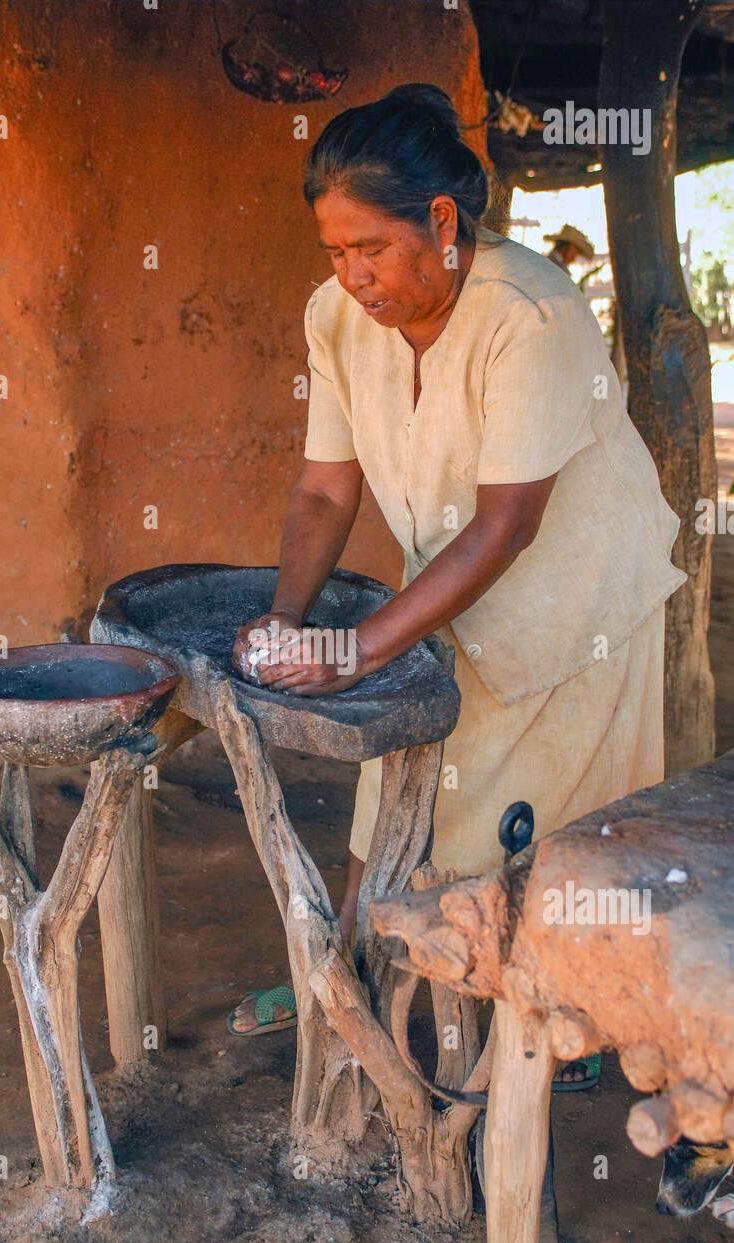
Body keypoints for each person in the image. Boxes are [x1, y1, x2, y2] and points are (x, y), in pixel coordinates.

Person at [227, 84, 685, 1090]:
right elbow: (320, 486)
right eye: (334, 253)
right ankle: (344, 976)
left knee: (540, 832)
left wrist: (359, 648)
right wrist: (286, 617)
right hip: (449, 586)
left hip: (574, 603)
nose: (352, 277)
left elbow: (508, 524)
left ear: (441, 223)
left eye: (371, 251)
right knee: (395, 789)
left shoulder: (531, 314)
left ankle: (552, 1029)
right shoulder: (336, 321)